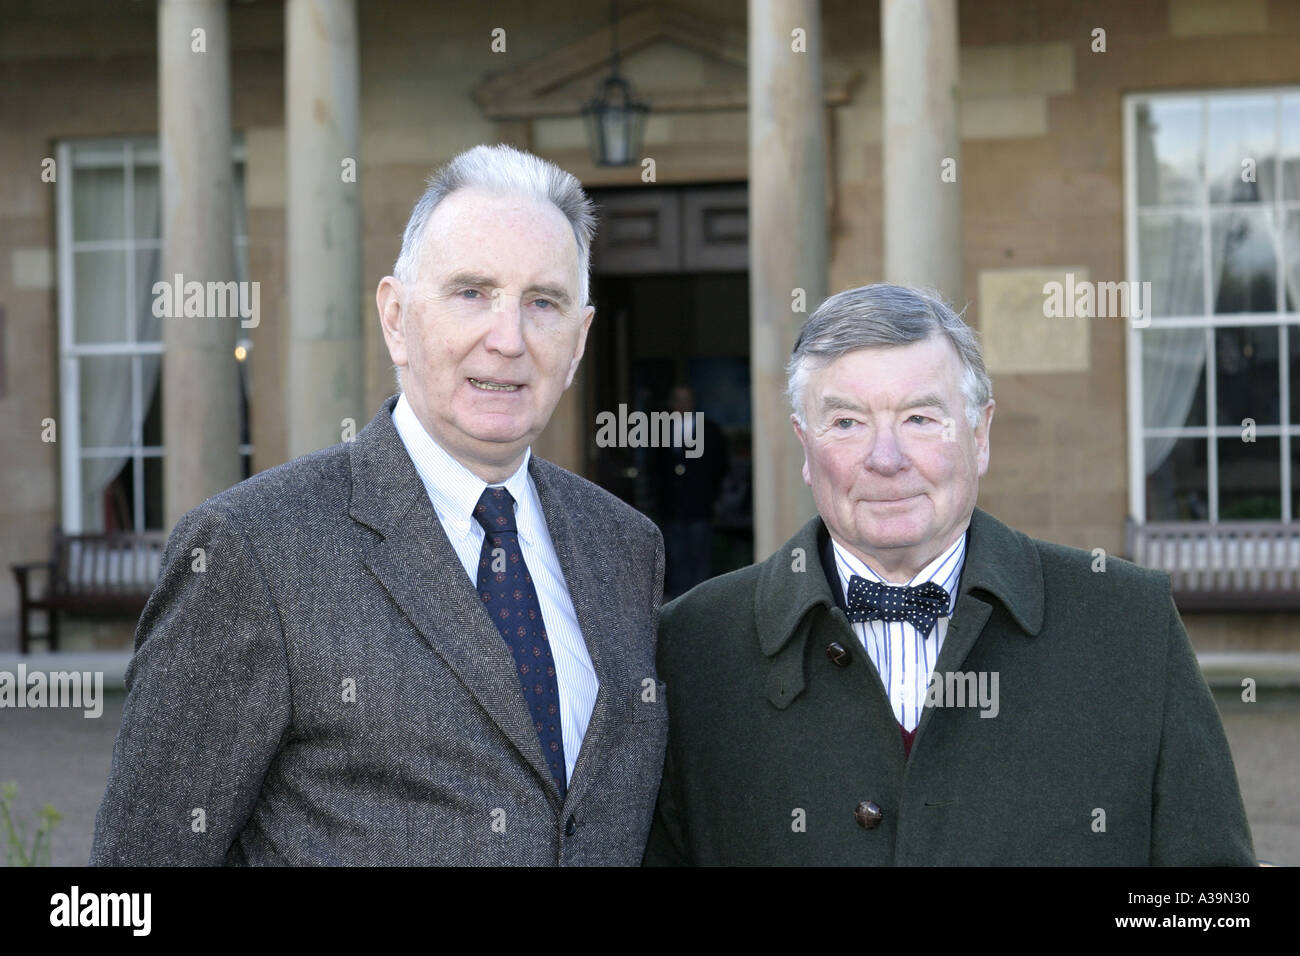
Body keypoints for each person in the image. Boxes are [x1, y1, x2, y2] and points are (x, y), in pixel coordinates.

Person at [91, 144, 668, 866]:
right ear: (396, 318)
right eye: (471, 293)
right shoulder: (252, 550)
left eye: (542, 303)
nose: (508, 339)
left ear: (579, 341)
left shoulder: (624, 545)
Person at [644, 283, 1255, 866]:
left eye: (919, 418)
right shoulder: (693, 645)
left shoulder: (1130, 625)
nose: (886, 459)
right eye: (848, 422)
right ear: (806, 447)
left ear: (980, 433)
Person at [649, 384, 729, 598]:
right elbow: (655, 468)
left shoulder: (710, 430)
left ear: (693, 402)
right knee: (675, 558)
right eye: (677, 399)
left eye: (686, 399)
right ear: (671, 403)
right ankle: (678, 605)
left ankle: (700, 604)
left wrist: (714, 497)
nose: (682, 404)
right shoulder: (660, 431)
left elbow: (720, 466)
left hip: (700, 505)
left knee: (700, 556)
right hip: (671, 506)